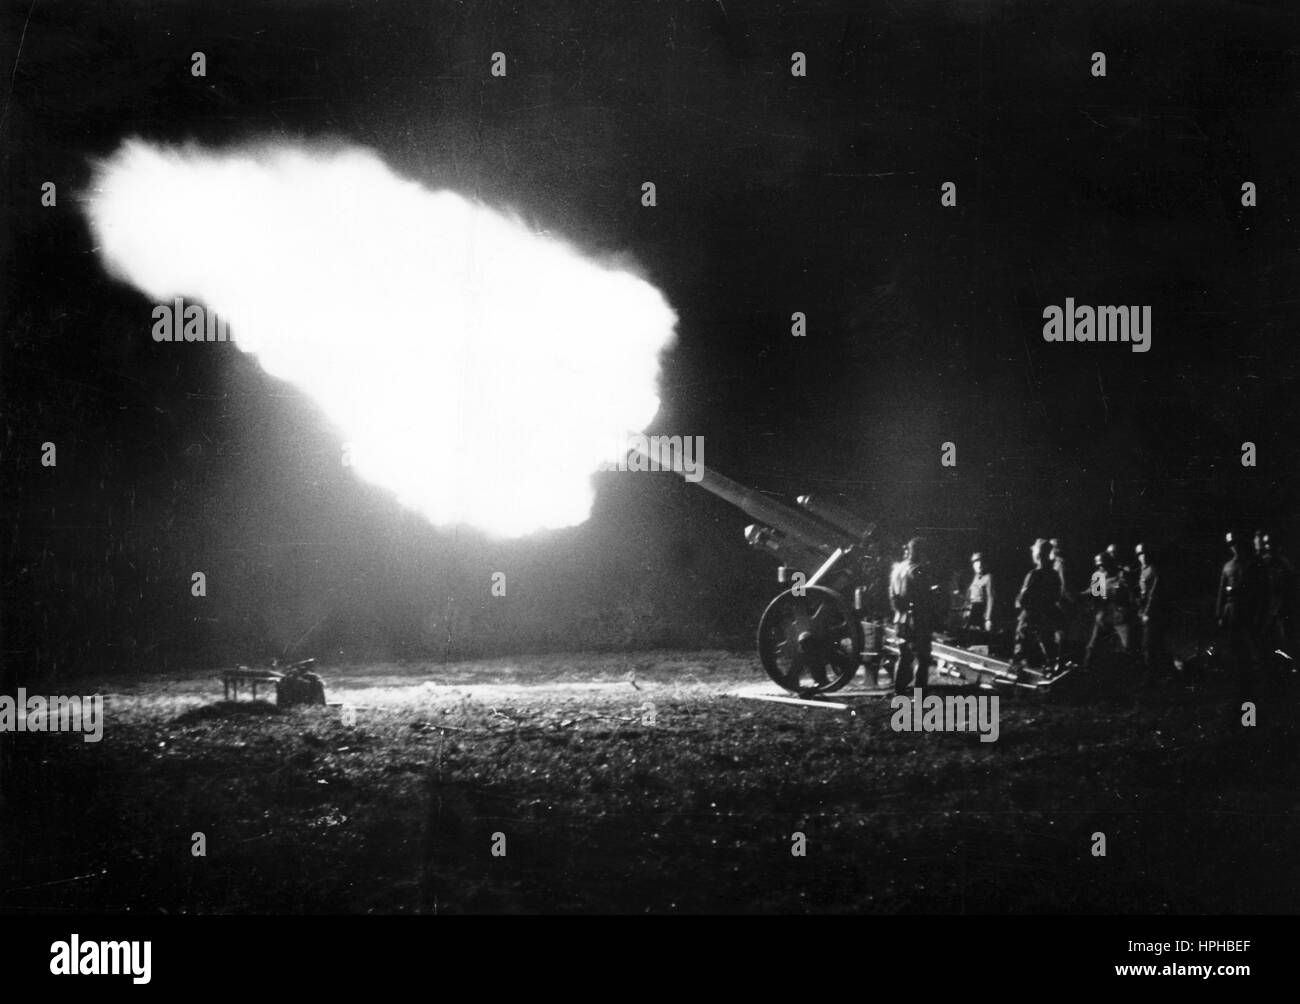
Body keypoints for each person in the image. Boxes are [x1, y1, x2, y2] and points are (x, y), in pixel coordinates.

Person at [890, 537, 941, 691]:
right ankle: (920, 693)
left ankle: (898, 689)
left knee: (904, 655)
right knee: (923, 657)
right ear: (920, 552)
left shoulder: (897, 569)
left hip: (900, 618)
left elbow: (893, 594)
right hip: (917, 619)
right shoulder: (918, 569)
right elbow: (923, 596)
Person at [1217, 531, 1264, 692]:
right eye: (1231, 545)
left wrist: (1257, 612)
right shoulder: (1227, 566)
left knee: (1251, 643)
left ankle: (1254, 677)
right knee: (1233, 643)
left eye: (1236, 544)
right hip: (1231, 610)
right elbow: (1221, 592)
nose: (1234, 547)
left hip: (1247, 609)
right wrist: (1220, 614)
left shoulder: (1251, 564)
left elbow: (1258, 591)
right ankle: (1238, 676)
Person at [1014, 538, 1061, 670]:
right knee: (1047, 644)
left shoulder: (1034, 574)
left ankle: (1017, 673)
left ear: (1038, 554)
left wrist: (1020, 602)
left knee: (1021, 645)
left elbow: (1023, 598)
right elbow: (1056, 596)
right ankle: (1051, 668)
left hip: (1030, 615)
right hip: (1046, 616)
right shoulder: (1054, 574)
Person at [1084, 551, 1134, 669]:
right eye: (1099, 565)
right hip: (1103, 616)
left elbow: (1130, 594)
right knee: (1093, 645)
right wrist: (1080, 595)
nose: (1101, 567)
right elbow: (1093, 593)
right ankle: (1086, 668)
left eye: (1103, 564)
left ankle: (1131, 671)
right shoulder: (1098, 575)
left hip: (1120, 615)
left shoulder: (1121, 574)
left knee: (1128, 646)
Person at [1136, 542, 1172, 680]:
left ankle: (1152, 677)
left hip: (1154, 613)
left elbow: (1154, 594)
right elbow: (1143, 593)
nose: (1142, 556)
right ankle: (1164, 674)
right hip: (1146, 612)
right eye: (1139, 554)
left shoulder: (1153, 570)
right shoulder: (1142, 570)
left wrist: (1147, 613)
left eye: (1144, 553)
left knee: (1149, 645)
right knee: (1155, 645)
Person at [964, 552, 995, 634]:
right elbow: (968, 596)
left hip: (981, 613)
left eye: (981, 562)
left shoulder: (989, 577)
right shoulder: (974, 577)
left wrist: (988, 618)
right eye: (976, 562)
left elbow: (990, 598)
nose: (979, 564)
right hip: (971, 612)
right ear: (973, 565)